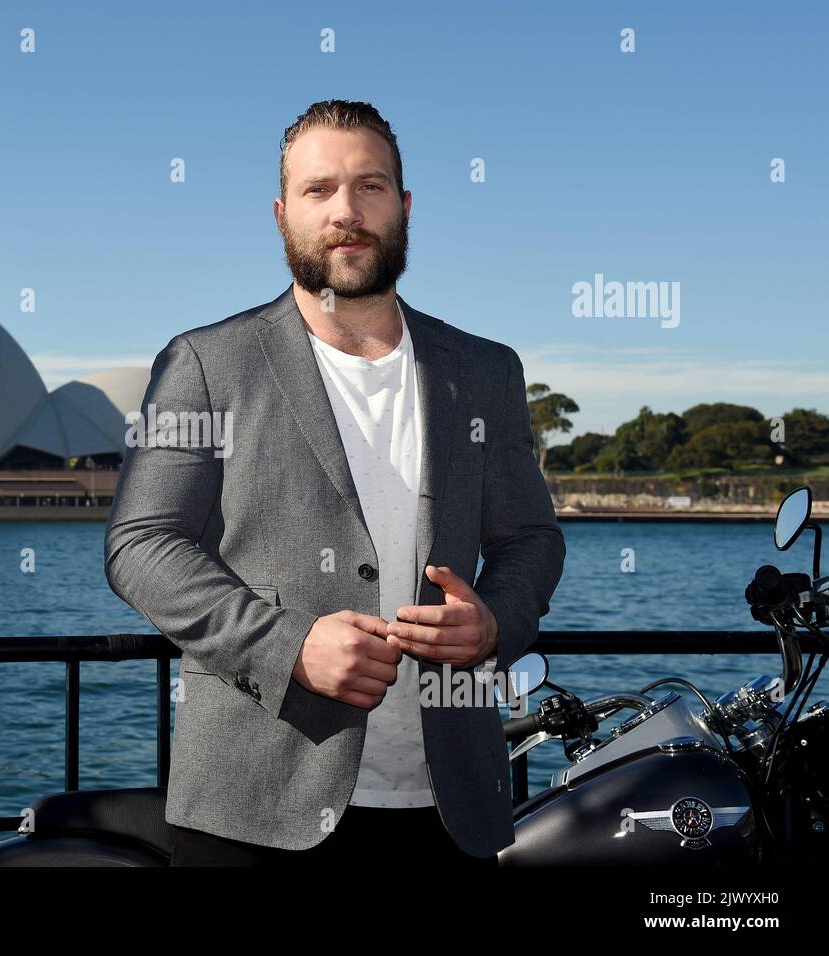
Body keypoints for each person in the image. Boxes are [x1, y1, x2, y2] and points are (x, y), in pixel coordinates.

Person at [104, 100, 565, 866]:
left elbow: (530, 541)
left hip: (450, 810)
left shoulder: (486, 372)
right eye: (320, 191)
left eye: (370, 186)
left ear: (405, 206)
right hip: (252, 814)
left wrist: (492, 625)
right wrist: (289, 648)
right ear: (283, 214)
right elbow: (140, 544)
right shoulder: (206, 364)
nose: (346, 211)